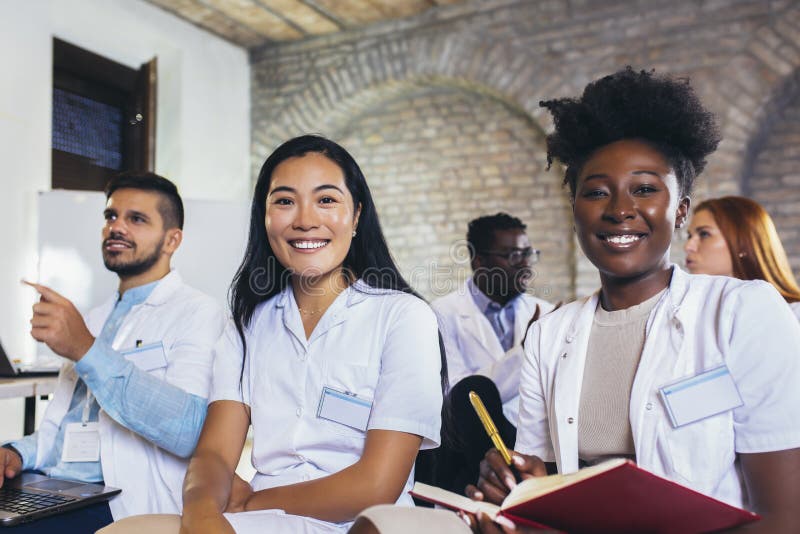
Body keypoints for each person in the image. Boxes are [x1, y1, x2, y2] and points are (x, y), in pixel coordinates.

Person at [470, 67, 800, 533]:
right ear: (576, 210)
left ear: (681, 207)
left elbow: (784, 519)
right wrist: (512, 492)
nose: (619, 209)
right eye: (596, 192)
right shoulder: (548, 336)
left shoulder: (743, 312)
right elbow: (542, 493)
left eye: (645, 189)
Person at [149, 134, 442, 533]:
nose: (305, 219)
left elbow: (377, 485)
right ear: (264, 218)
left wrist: (251, 502)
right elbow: (215, 454)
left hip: (362, 523)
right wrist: (201, 513)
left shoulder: (404, 317)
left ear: (356, 216)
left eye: (326, 199)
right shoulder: (247, 324)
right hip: (261, 521)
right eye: (285, 201)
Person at [0, 172, 225, 532]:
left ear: (172, 240)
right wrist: (15, 453)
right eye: (111, 216)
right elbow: (57, 432)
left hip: (115, 500)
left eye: (136, 219)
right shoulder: (94, 318)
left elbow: (188, 430)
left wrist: (85, 349)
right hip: (52, 483)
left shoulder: (199, 313)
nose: (116, 227)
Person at [426, 213, 553, 493]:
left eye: (528, 253)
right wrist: (525, 351)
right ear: (478, 260)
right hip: (470, 453)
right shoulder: (442, 314)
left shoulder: (545, 312)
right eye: (512, 255)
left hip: (534, 446)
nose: (525, 264)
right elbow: (460, 395)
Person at [684, 195, 800, 321]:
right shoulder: (692, 313)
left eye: (704, 234)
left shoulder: (794, 315)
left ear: (742, 243)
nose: (688, 246)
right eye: (689, 236)